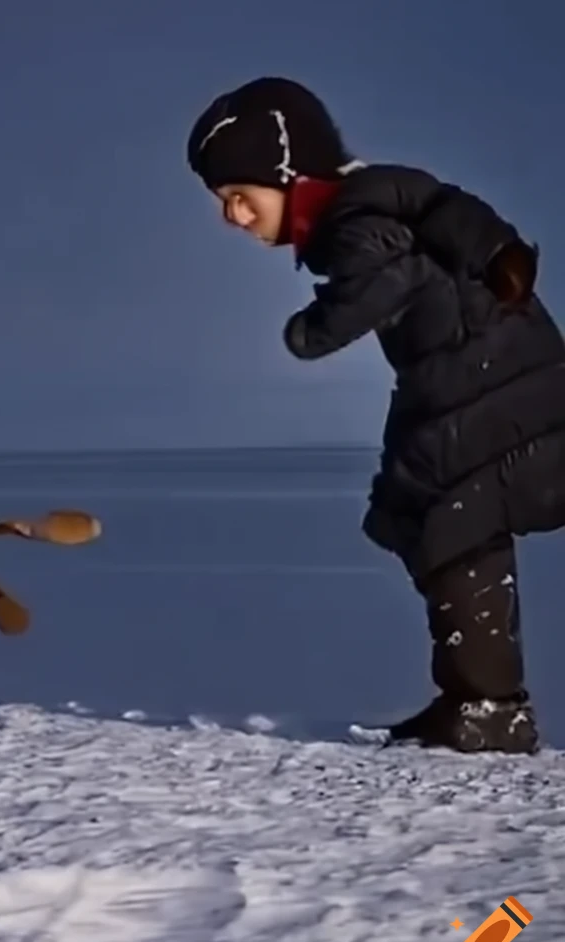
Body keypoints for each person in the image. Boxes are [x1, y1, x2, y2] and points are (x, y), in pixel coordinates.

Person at [186, 76, 565, 754]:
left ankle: (488, 708)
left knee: (445, 516)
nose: (232, 218)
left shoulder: (356, 222)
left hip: (492, 393)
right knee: (424, 511)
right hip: (483, 386)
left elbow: (390, 278)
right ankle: (478, 700)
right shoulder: (379, 204)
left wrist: (315, 328)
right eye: (223, 203)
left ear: (287, 175)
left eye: (240, 197)